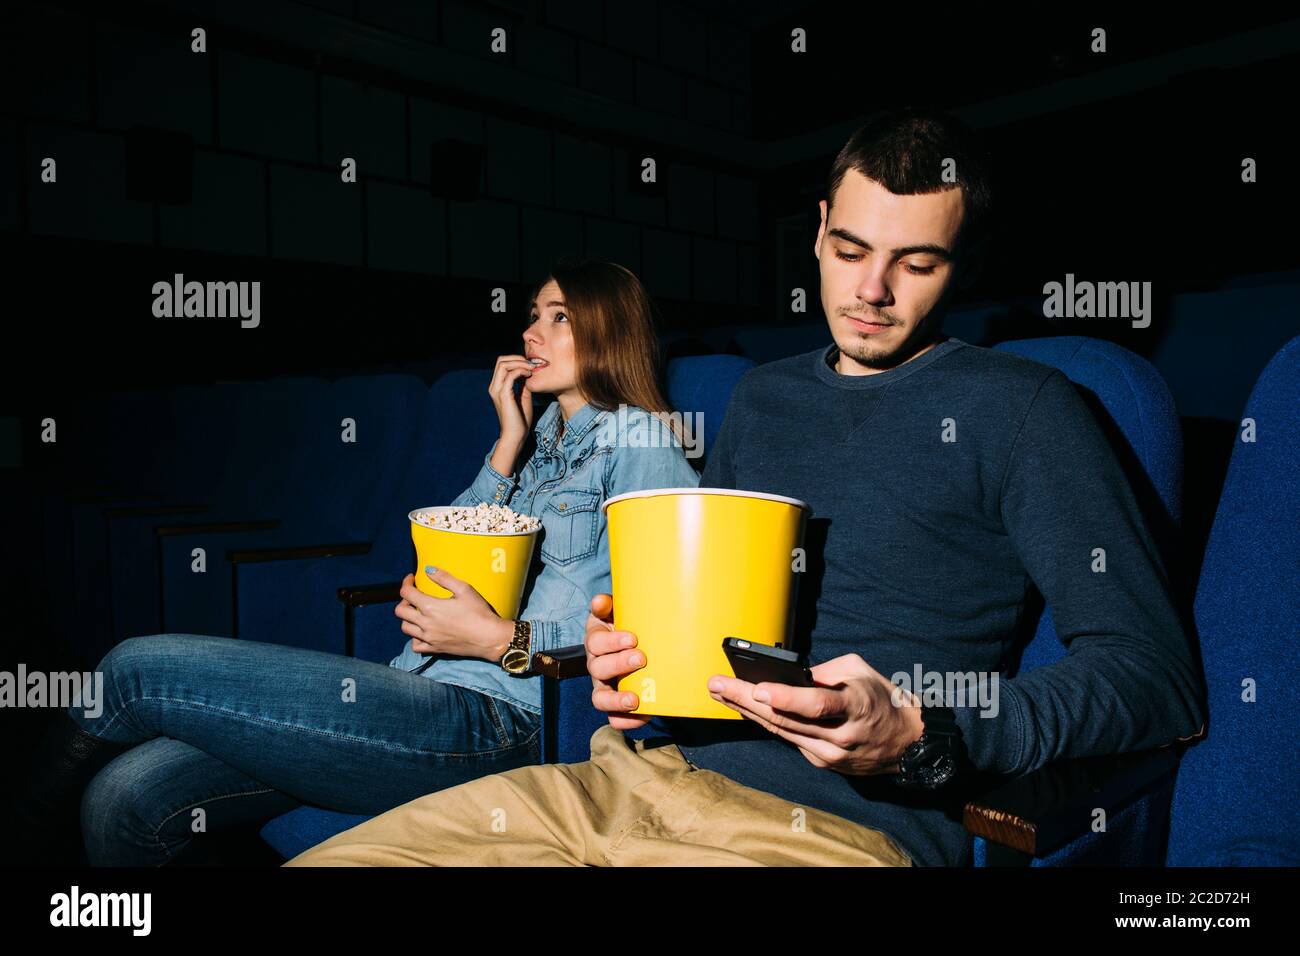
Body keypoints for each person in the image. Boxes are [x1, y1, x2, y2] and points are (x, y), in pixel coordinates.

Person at [285, 109, 1207, 868]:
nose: (872, 290)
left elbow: (1154, 678)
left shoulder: (1029, 409)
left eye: (916, 264)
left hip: (830, 835)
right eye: (848, 249)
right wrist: (625, 660)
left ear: (961, 266)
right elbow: (703, 633)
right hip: (622, 781)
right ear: (815, 232)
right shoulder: (764, 399)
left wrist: (929, 732)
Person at [5, 258, 700, 866]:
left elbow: (666, 634)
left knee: (133, 667)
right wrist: (505, 444)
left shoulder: (642, 442)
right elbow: (439, 552)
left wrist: (496, 640)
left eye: (558, 318)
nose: (529, 333)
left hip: (502, 719)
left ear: (609, 330)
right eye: (530, 316)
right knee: (125, 798)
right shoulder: (540, 438)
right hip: (419, 684)